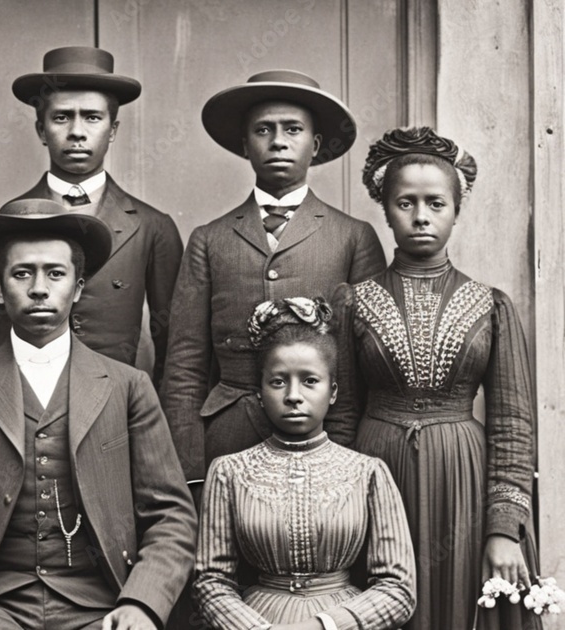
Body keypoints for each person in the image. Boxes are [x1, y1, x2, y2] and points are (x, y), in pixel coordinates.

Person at [0, 199, 197, 630]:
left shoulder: (128, 387)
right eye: (22, 274)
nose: (39, 288)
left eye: (55, 274)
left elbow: (170, 515)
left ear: (78, 288)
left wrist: (143, 603)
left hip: (103, 604)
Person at [330, 127, 540, 630]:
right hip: (376, 475)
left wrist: (503, 529)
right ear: (385, 209)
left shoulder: (491, 305)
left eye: (436, 203)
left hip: (463, 480)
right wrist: (335, 510)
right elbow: (338, 417)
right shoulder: (352, 301)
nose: (421, 216)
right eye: (406, 202)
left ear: (456, 209)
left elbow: (513, 426)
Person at [162, 70, 387, 486]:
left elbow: (364, 364)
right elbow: (185, 366)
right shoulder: (209, 239)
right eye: (263, 130)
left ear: (315, 145)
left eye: (294, 129)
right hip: (231, 436)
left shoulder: (354, 238)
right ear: (245, 145)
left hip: (326, 439)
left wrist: (350, 454)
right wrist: (190, 470)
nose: (278, 141)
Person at [0, 46, 183, 385]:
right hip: (18, 407)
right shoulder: (1, 224)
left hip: (113, 408)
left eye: (92, 117)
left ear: (113, 130)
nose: (77, 132)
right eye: (62, 117)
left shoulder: (152, 226)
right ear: (41, 131)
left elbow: (175, 350)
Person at [194, 297, 416, 630]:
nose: (293, 395)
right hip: (257, 619)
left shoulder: (368, 472)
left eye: (310, 381)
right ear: (259, 393)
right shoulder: (229, 472)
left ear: (333, 392)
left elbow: (398, 589)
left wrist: (324, 624)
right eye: (278, 381)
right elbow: (211, 581)